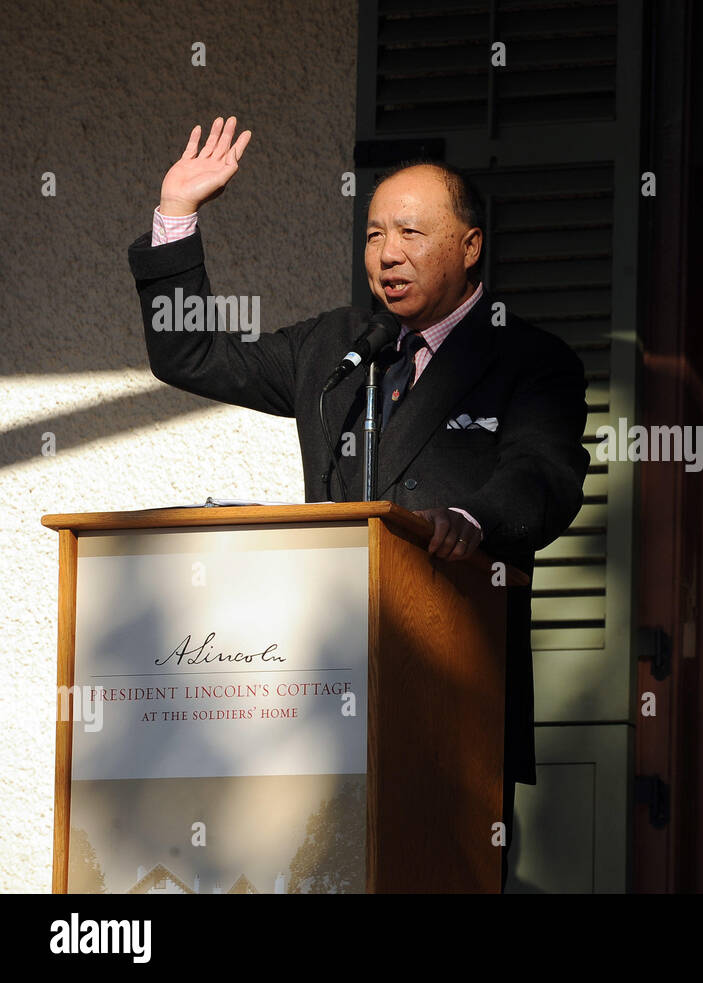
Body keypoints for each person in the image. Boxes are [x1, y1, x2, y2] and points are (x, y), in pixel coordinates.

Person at [127, 116, 590, 891]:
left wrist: (473, 520)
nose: (387, 253)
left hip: (452, 695)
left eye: (411, 232)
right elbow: (192, 353)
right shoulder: (339, 349)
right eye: (375, 234)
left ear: (470, 246)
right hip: (322, 699)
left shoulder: (528, 358)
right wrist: (178, 215)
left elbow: (542, 474)